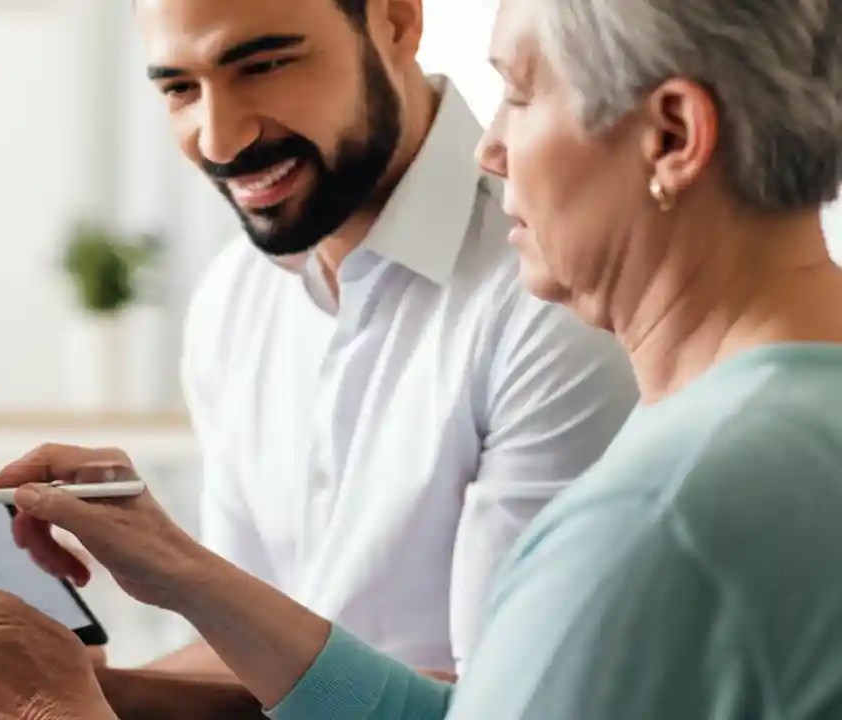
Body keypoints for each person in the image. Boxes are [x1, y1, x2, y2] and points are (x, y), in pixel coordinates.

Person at [0, 0, 842, 716]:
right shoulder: (236, 300)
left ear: (672, 136)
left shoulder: (650, 510)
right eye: (178, 88)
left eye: (519, 91)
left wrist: (53, 708)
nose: (491, 146)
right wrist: (162, 597)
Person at [98, 0, 637, 688]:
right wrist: (74, 685)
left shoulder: (553, 295)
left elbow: (521, 693)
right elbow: (248, 657)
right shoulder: (231, 299)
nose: (220, 139)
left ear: (397, 22)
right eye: (178, 87)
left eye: (264, 64)